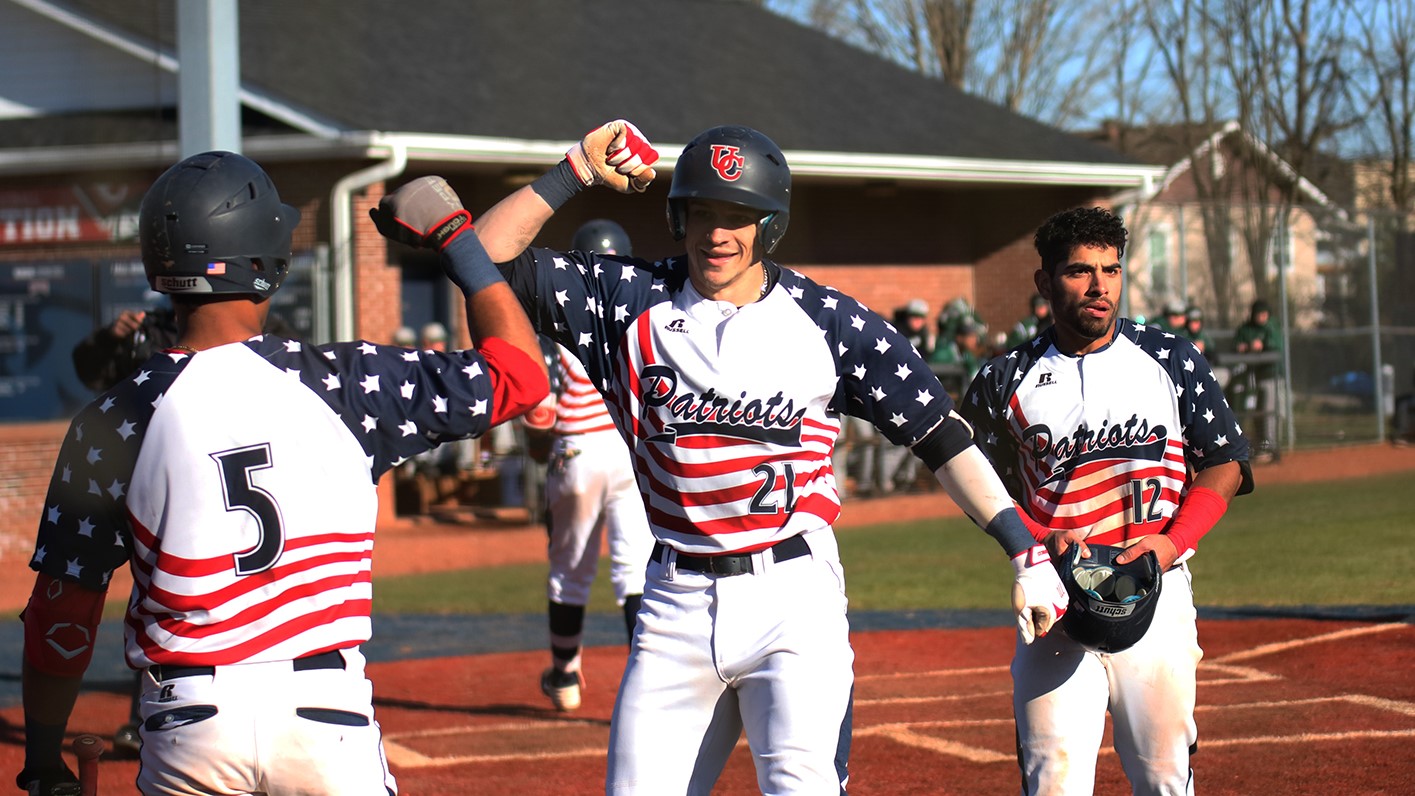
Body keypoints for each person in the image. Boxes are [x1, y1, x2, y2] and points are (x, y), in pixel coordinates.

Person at [375, 120, 1069, 794]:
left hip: (793, 595)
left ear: (769, 225)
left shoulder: (829, 321)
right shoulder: (626, 299)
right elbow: (481, 264)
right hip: (673, 597)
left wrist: (1022, 550)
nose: (717, 233)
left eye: (738, 215)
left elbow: (939, 436)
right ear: (678, 217)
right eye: (702, 212)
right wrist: (574, 173)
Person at [17, 151, 548, 796]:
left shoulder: (113, 417)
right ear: (267, 255)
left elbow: (61, 616)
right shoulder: (347, 383)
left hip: (189, 726)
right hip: (326, 720)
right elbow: (520, 376)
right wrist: (456, 240)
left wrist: (42, 760)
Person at [960, 206, 1253, 795]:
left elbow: (1225, 463)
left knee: (1165, 777)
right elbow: (975, 484)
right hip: (1055, 600)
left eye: (1111, 270)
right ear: (1045, 283)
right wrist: (1037, 542)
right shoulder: (1003, 379)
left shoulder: (1169, 358)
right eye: (1080, 272)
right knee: (1054, 781)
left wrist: (1170, 545)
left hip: (1155, 587)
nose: (1100, 287)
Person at [527, 221, 654, 712]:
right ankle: (646, 680)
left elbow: (540, 412)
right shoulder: (642, 314)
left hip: (576, 449)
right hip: (628, 450)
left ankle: (564, 677)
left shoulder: (555, 316)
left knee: (569, 572)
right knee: (633, 572)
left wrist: (542, 450)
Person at [1232, 298, 1283, 458]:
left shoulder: (1271, 327)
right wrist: (1246, 346)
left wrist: (1263, 345)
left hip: (1271, 376)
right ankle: (1257, 444)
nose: (1262, 317)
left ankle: (1270, 446)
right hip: (1250, 375)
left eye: (1264, 314)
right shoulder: (1246, 328)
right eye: (1259, 314)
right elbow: (1237, 343)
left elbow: (1276, 346)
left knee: (1270, 411)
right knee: (1252, 411)